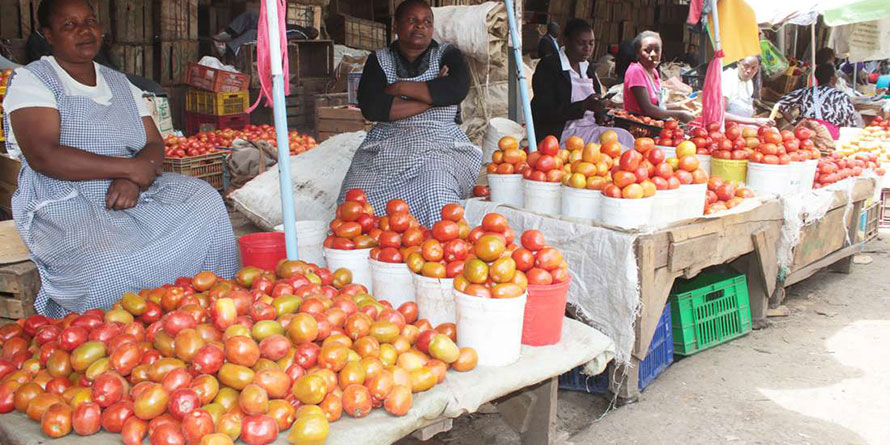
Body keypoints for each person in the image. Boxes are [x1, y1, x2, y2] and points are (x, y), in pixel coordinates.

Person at [3, 0, 238, 317]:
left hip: (133, 185)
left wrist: (131, 179)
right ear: (47, 34)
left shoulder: (121, 83)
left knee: (205, 200)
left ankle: (208, 301)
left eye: (89, 21)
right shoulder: (34, 81)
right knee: (108, 262)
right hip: (65, 194)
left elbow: (154, 143)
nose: (84, 30)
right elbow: (45, 156)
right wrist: (128, 168)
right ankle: (114, 327)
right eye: (69, 25)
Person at [338, 0, 481, 227]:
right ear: (396, 26)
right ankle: (376, 242)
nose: (420, 26)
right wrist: (434, 93)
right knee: (357, 195)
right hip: (388, 141)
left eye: (427, 21)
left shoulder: (448, 54)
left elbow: (456, 89)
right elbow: (373, 107)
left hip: (439, 141)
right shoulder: (379, 59)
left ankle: (436, 247)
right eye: (411, 20)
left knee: (436, 187)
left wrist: (400, 89)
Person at [531, 19, 633, 146]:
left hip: (589, 128)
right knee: (617, 142)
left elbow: (595, 101)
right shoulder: (549, 67)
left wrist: (600, 114)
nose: (587, 49)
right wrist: (583, 106)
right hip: (561, 135)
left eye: (591, 43)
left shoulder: (587, 67)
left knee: (625, 137)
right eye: (581, 43)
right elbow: (543, 111)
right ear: (566, 41)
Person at [623, 31, 694, 123]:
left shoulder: (654, 72)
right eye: (647, 50)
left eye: (657, 50)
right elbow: (648, 109)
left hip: (653, 123)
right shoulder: (636, 71)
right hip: (638, 126)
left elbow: (658, 105)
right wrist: (680, 114)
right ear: (638, 53)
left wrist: (680, 105)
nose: (653, 55)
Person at [775, 64, 863, 139]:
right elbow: (849, 122)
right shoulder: (841, 96)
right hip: (829, 138)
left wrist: (794, 122)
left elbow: (780, 103)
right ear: (832, 79)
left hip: (804, 136)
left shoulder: (806, 92)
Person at [722, 56, 773, 126]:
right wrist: (754, 121)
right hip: (727, 128)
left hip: (743, 129)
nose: (749, 71)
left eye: (754, 68)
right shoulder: (727, 77)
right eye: (746, 66)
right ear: (738, 63)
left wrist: (756, 119)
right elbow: (721, 114)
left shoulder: (748, 83)